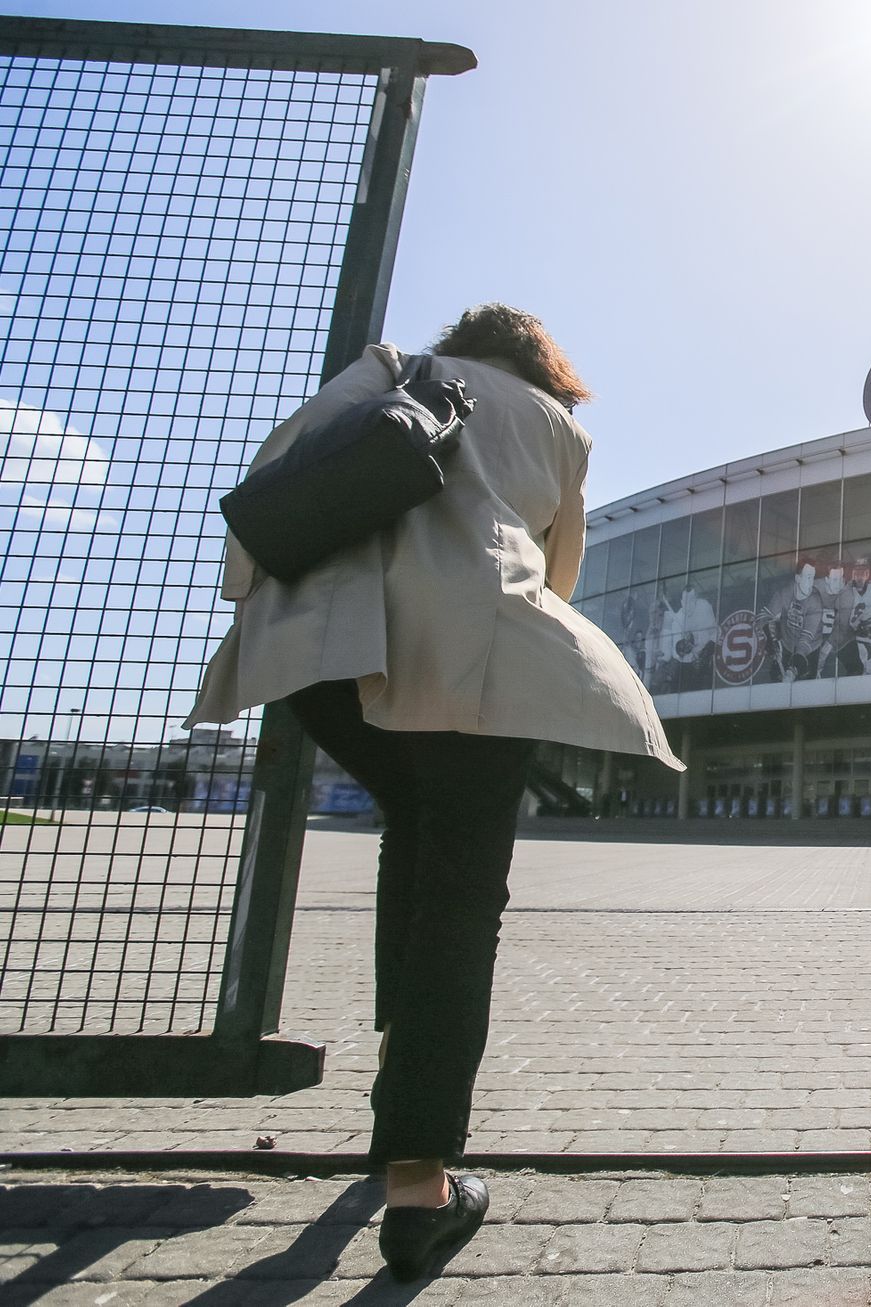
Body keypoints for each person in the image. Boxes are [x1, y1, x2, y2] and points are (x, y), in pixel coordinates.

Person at [185, 304, 682, 1281]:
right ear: (544, 365)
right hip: (472, 653)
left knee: (410, 826)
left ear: (463, 340)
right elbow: (558, 573)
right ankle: (419, 1184)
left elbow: (280, 468)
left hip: (329, 650)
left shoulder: (394, 365)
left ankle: (398, 1060)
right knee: (460, 895)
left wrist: (257, 597)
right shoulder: (559, 427)